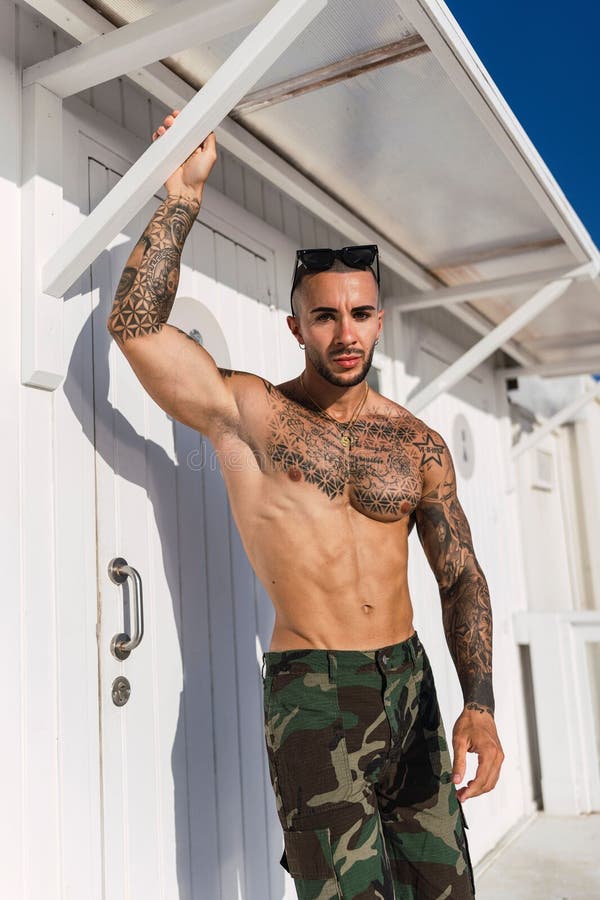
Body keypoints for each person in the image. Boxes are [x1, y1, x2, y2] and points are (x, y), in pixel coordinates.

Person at [107, 111, 504, 900]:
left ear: (380, 322)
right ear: (297, 325)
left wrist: (480, 704)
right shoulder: (253, 416)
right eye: (325, 316)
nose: (344, 332)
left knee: (448, 887)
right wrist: (180, 197)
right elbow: (137, 327)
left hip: (411, 681)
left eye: (360, 314)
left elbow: (460, 576)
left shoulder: (419, 445)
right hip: (313, 692)